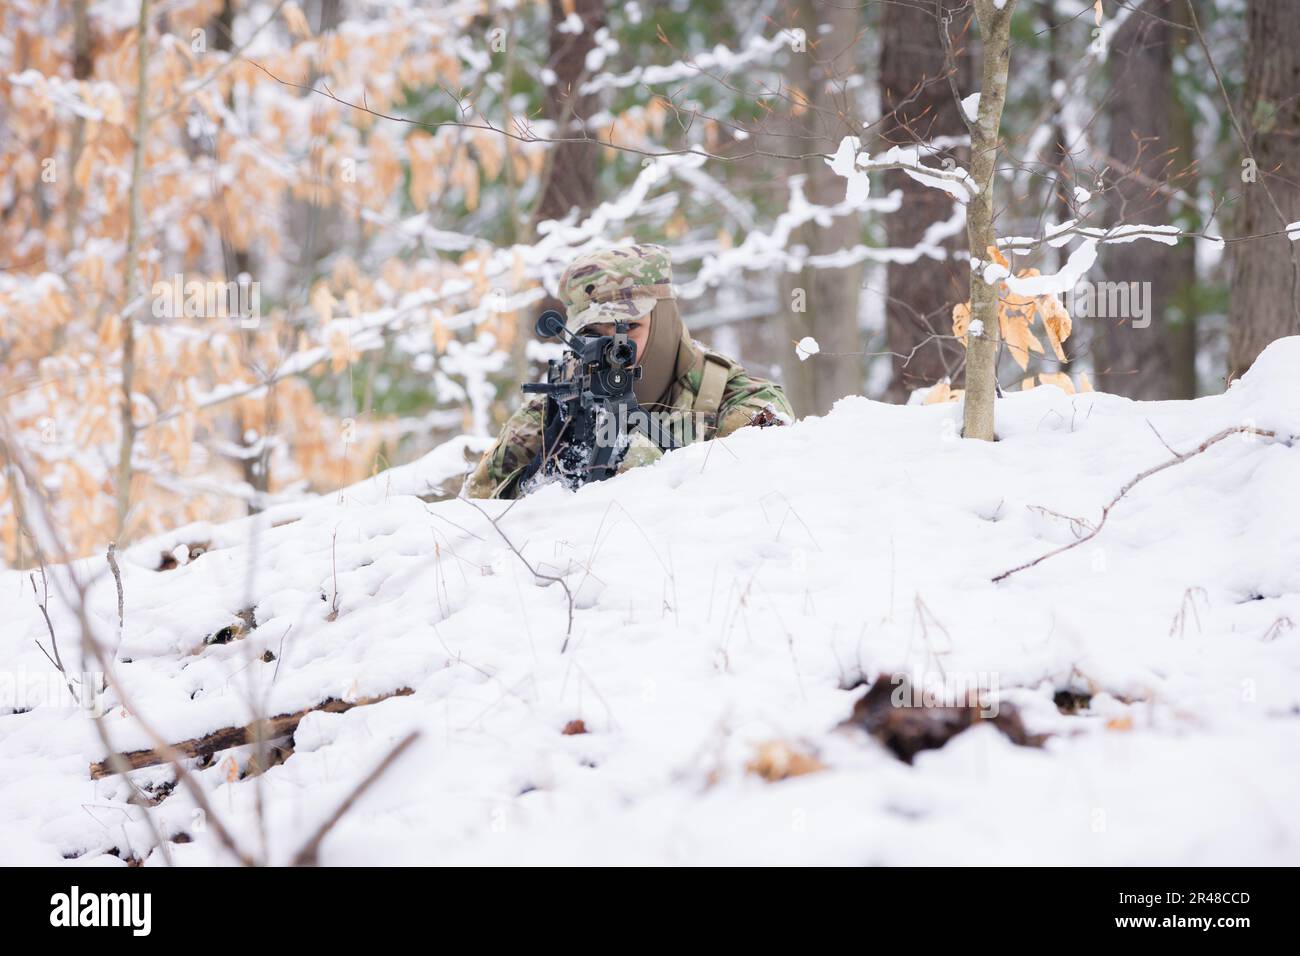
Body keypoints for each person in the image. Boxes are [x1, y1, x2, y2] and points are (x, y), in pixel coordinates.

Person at [465, 243, 793, 499]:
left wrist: (651, 466)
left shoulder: (738, 397)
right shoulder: (554, 405)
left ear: (665, 320)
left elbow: (771, 497)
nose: (610, 349)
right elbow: (474, 515)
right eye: (594, 334)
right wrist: (539, 481)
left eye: (628, 328)